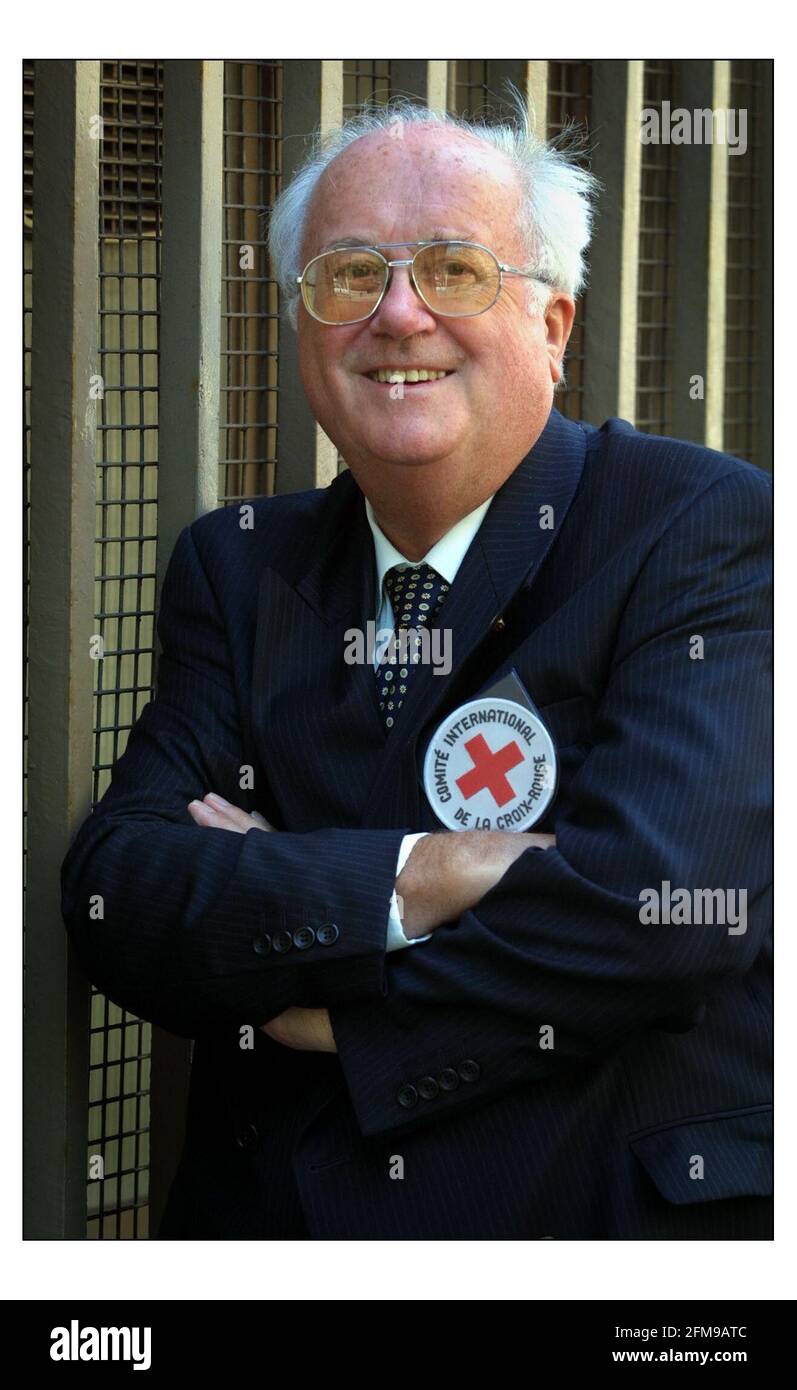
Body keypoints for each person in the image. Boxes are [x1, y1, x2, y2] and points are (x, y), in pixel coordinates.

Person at [61, 101, 772, 1240]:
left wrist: (337, 1001)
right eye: (348, 274)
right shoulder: (237, 568)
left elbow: (664, 915)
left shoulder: (698, 526)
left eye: (453, 268)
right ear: (301, 325)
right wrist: (422, 873)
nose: (397, 314)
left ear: (552, 323)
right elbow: (122, 894)